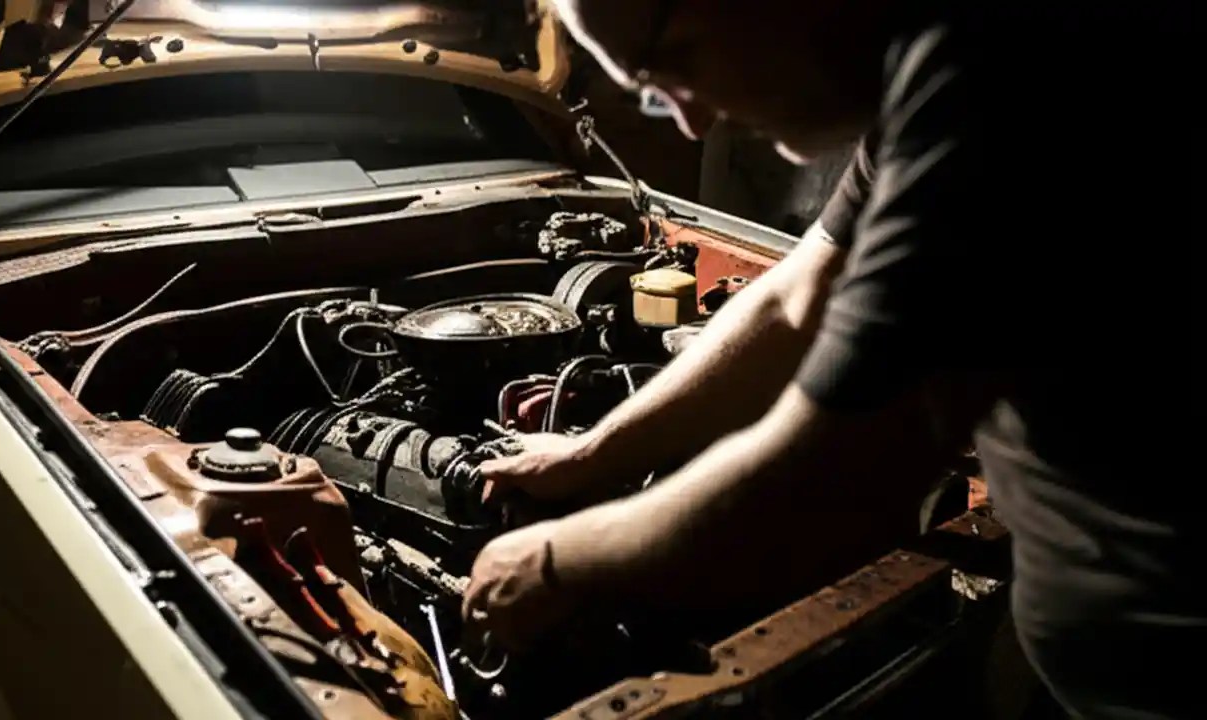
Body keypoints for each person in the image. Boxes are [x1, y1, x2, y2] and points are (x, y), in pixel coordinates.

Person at [462, 1, 1199, 718]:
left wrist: (557, 557)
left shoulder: (1003, 80)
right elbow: (794, 299)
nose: (692, 120)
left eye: (676, 63)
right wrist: (591, 454)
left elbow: (824, 478)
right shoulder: (921, 92)